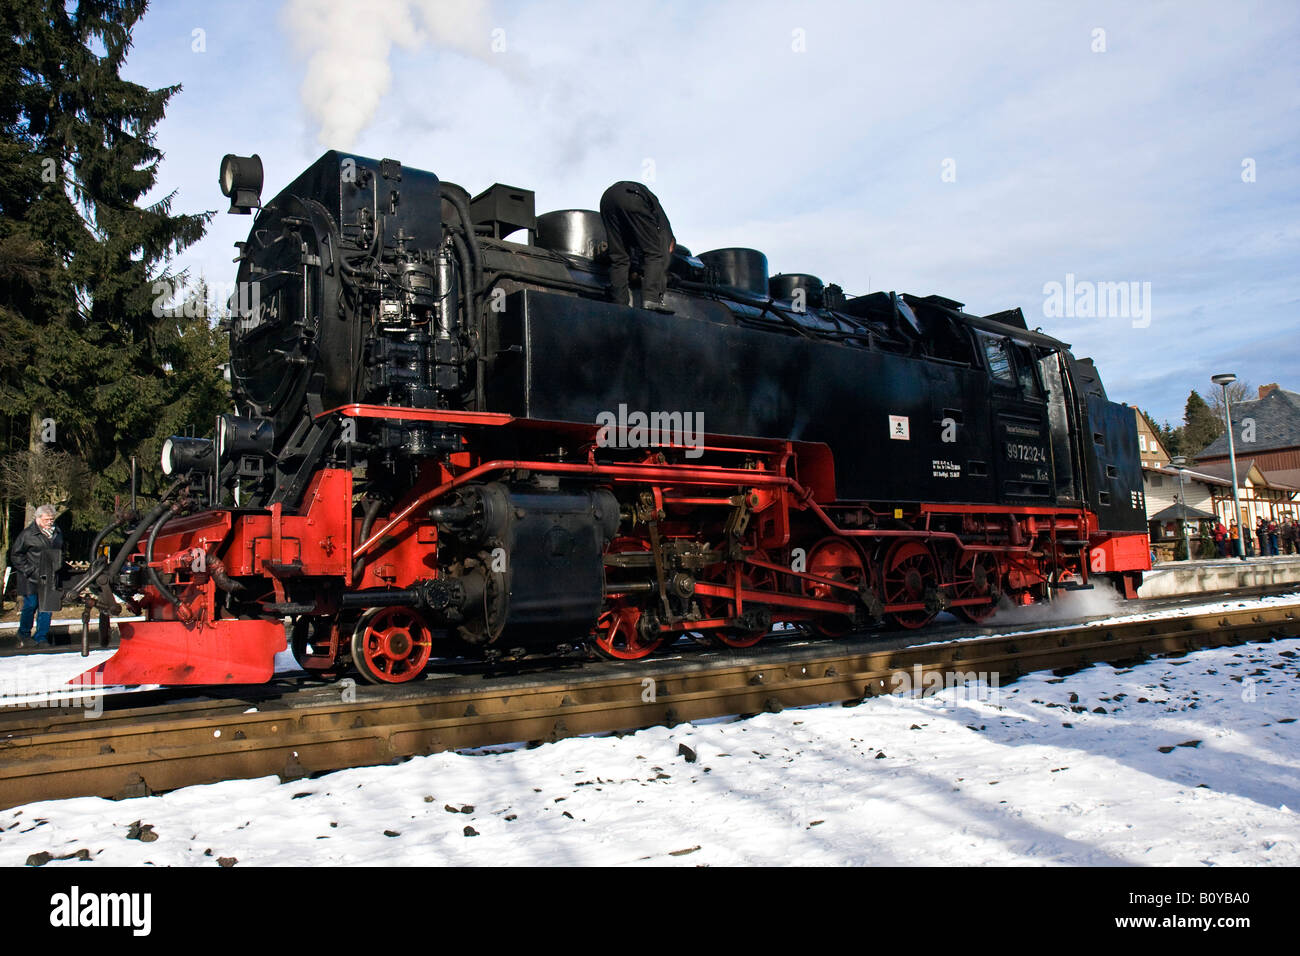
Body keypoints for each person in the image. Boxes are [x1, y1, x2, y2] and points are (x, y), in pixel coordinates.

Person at [599, 181, 675, 312]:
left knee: (619, 257)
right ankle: (651, 299)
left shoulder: (645, 217)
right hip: (633, 197)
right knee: (654, 253)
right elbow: (662, 255)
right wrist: (660, 289)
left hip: (607, 198)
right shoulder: (665, 230)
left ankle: (619, 301)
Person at [10, 504, 64, 648]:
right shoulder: (27, 534)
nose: (50, 522)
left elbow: (60, 551)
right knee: (31, 605)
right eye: (47, 519)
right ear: (38, 519)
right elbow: (16, 555)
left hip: (50, 577)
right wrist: (29, 570)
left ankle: (41, 637)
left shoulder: (57, 532)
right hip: (30, 577)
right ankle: (24, 634)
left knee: (46, 608)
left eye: (52, 519)